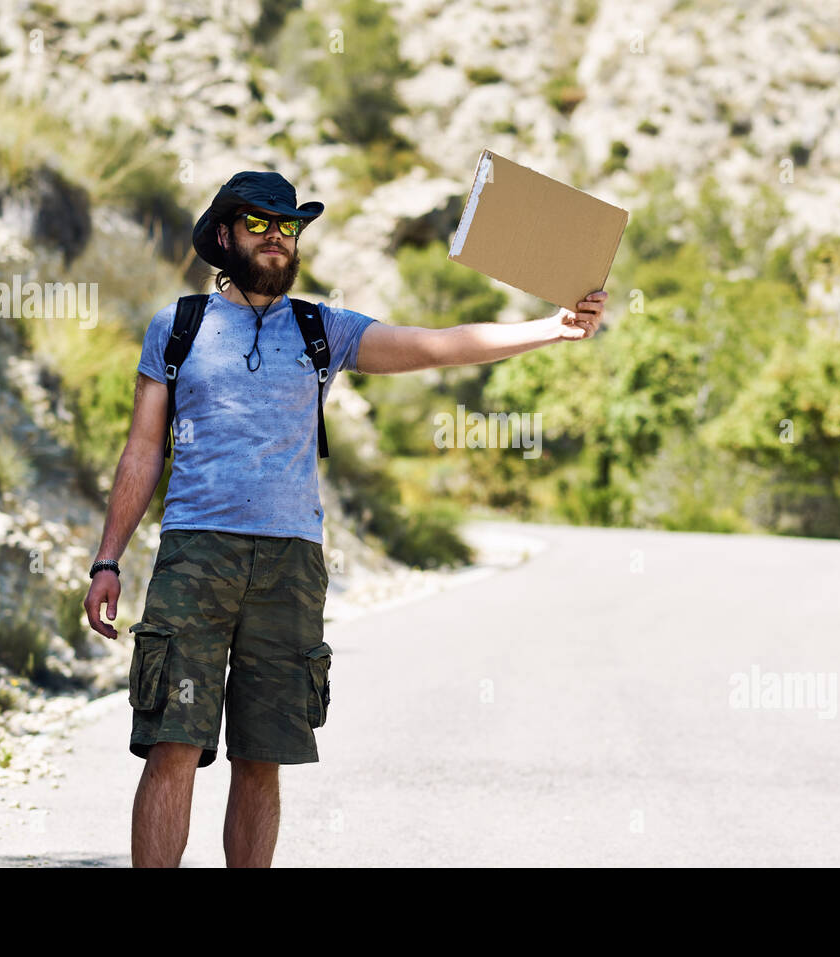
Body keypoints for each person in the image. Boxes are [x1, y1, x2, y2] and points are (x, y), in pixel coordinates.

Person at [82, 170, 607, 867]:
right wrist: (107, 559)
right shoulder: (177, 327)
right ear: (223, 236)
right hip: (194, 556)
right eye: (260, 223)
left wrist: (553, 326)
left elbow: (436, 345)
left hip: (291, 566)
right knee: (172, 743)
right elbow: (142, 451)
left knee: (262, 755)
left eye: (288, 225)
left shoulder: (320, 327)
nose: (276, 237)